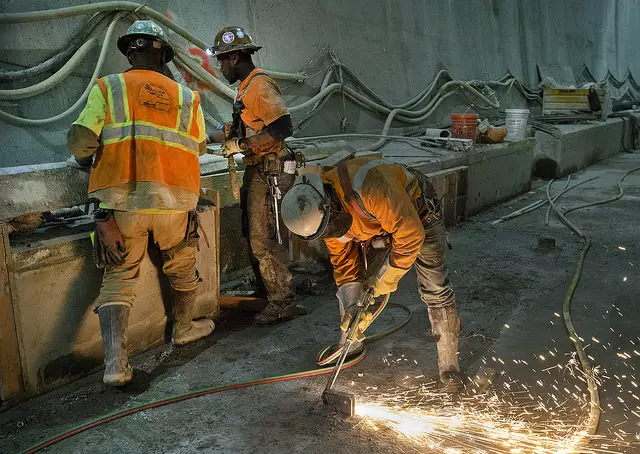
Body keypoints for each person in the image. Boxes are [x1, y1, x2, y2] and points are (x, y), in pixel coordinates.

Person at [67, 20, 213, 386]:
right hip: (176, 202)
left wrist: (92, 158)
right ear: (163, 53)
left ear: (129, 51)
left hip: (123, 202)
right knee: (181, 266)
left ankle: (116, 366)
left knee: (119, 278)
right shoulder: (187, 97)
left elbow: (82, 141)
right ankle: (183, 329)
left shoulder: (109, 87)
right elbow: (198, 146)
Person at [280, 157, 463, 387]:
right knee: (361, 287)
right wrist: (352, 307)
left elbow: (410, 236)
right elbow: (346, 269)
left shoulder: (373, 188)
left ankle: (449, 366)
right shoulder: (327, 220)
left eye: (330, 224)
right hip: (379, 227)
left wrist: (385, 281)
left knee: (435, 288)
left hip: (420, 216)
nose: (332, 232)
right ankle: (351, 341)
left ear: (329, 203)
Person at [207, 26, 307, 326]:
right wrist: (210, 137)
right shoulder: (246, 88)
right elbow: (245, 126)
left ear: (235, 56)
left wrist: (241, 145)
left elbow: (282, 128)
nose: (220, 66)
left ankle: (281, 301)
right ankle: (269, 289)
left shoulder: (260, 86)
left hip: (270, 172)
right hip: (259, 169)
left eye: (222, 60)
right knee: (253, 233)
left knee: (264, 239)